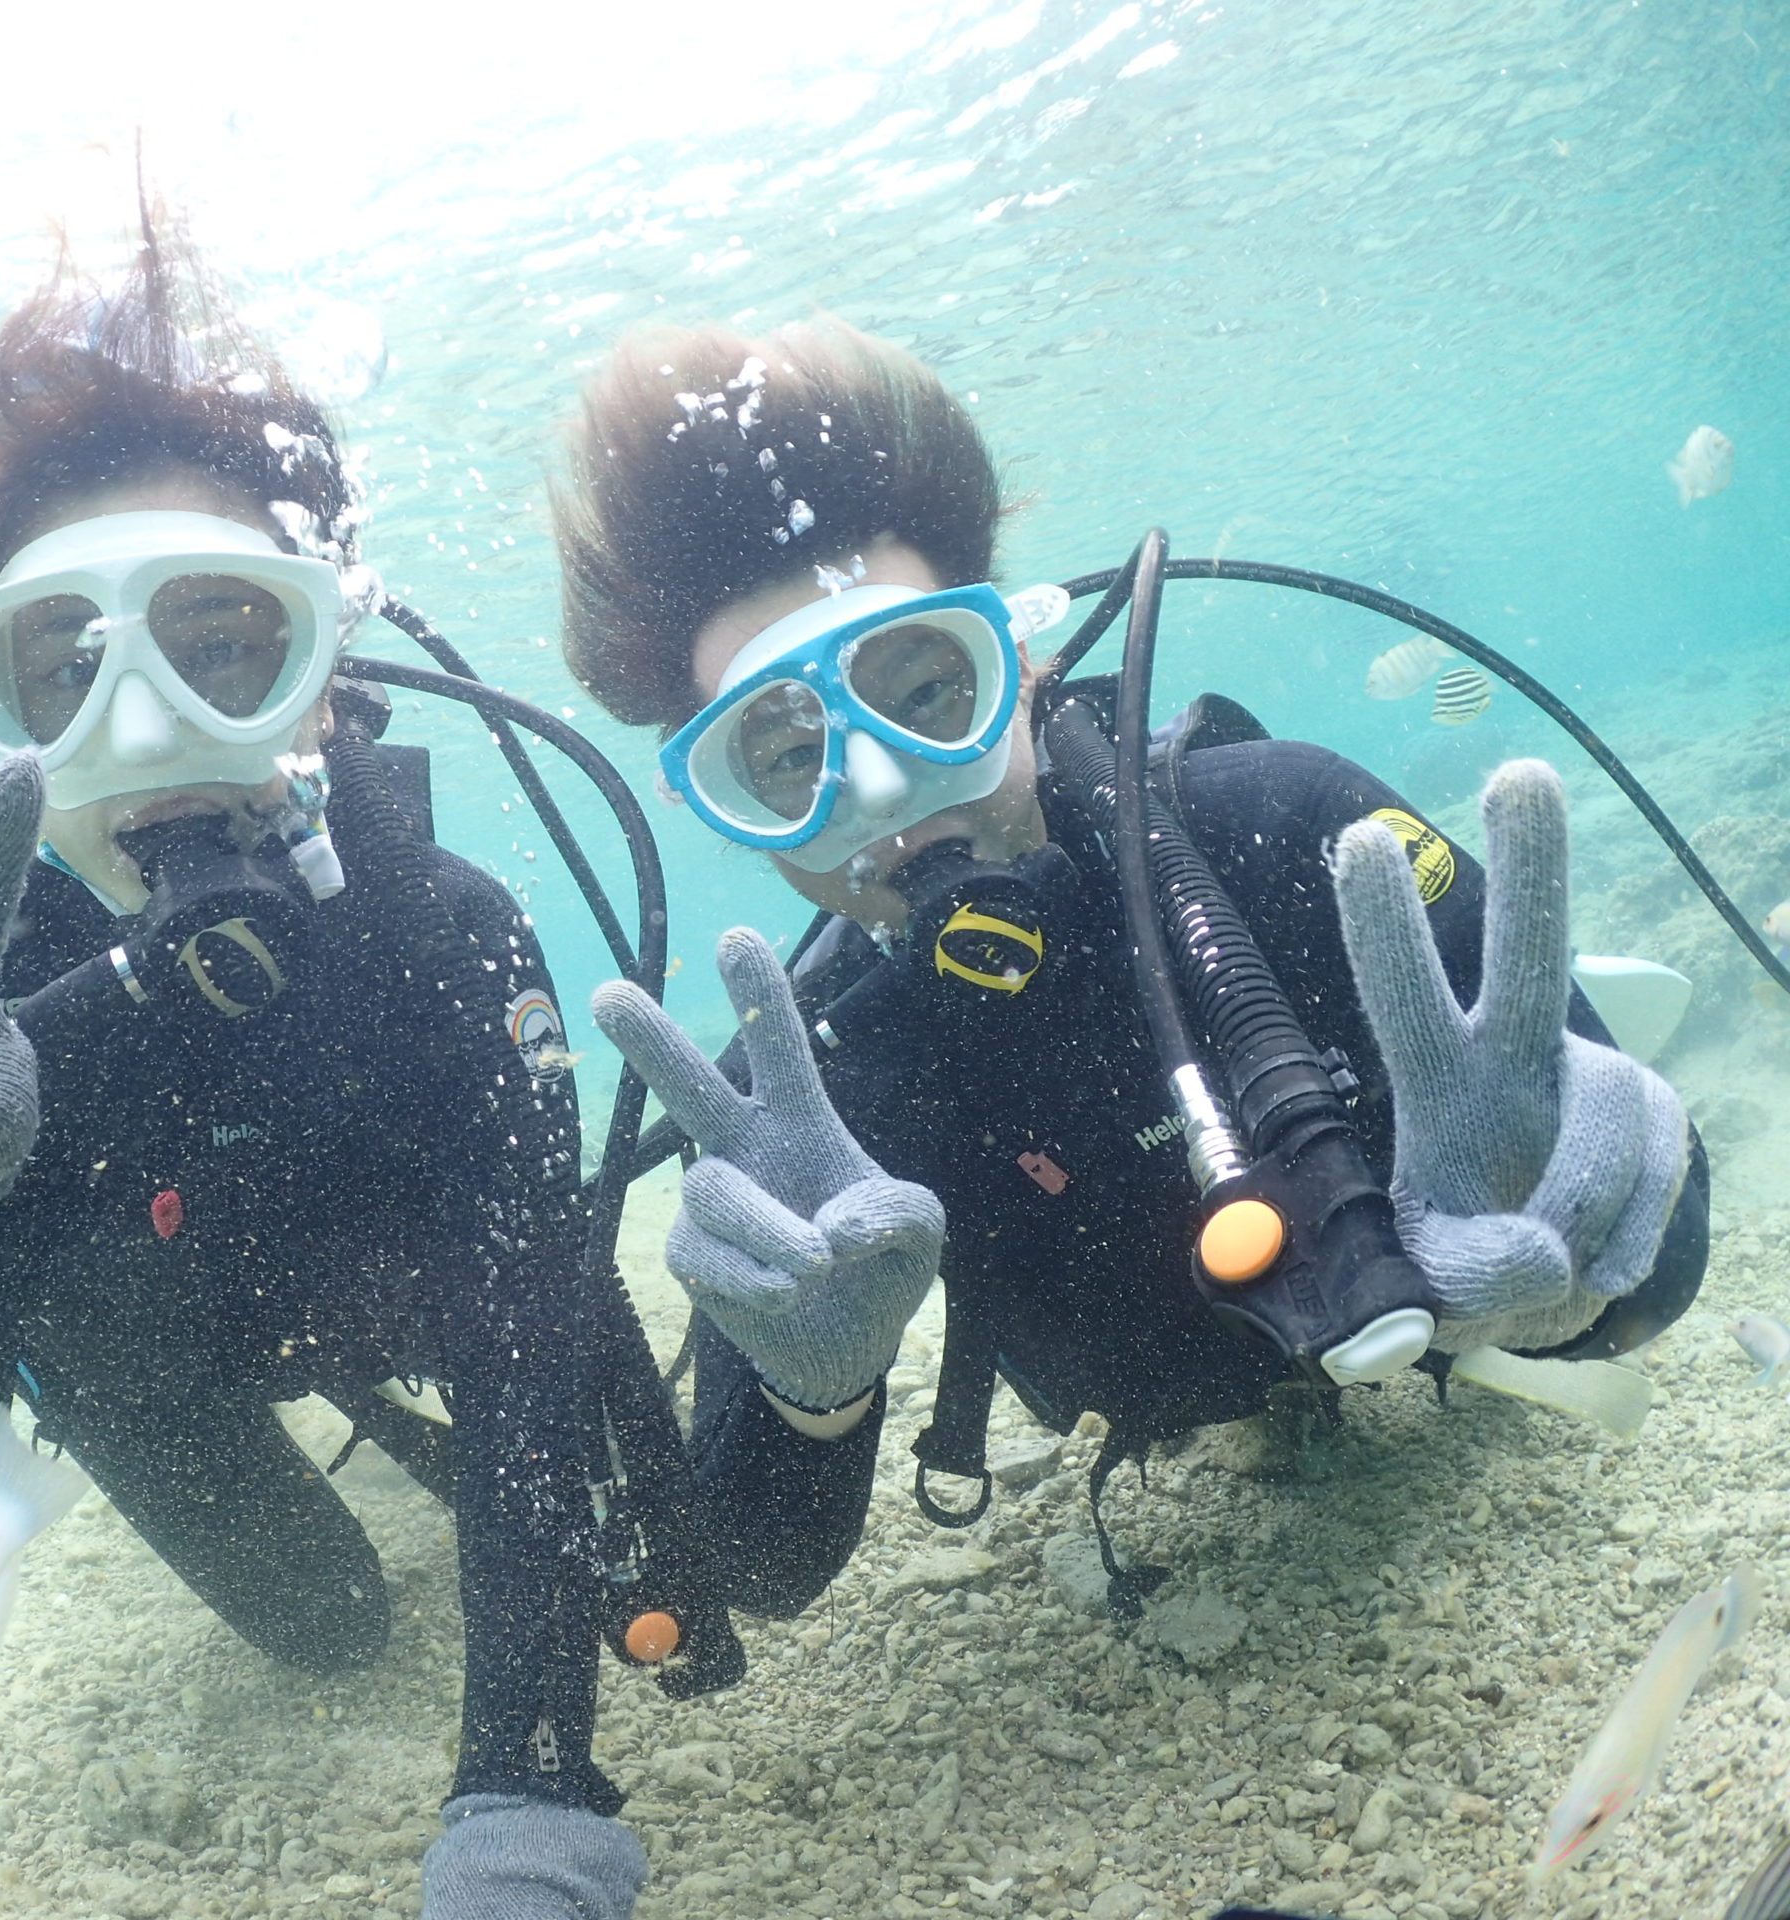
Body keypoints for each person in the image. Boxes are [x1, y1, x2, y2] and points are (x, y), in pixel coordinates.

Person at [0, 223, 872, 1919]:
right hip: (134, 1356)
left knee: (660, 1539)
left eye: (227, 637)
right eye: (66, 665)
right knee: (333, 1628)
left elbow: (532, 1345)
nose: (156, 724)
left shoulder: (441, 935)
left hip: (416, 1301)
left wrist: (524, 1793)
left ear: (331, 665)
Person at [553, 317, 1709, 1586]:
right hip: (1153, 1396)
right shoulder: (814, 1084)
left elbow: (1668, 1249)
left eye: (928, 690)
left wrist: (1577, 1250)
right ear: (727, 811)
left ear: (1022, 658)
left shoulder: (1291, 828)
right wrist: (806, 1389)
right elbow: (756, 1569)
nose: (879, 786)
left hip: (1429, 1308)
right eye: (783, 757)